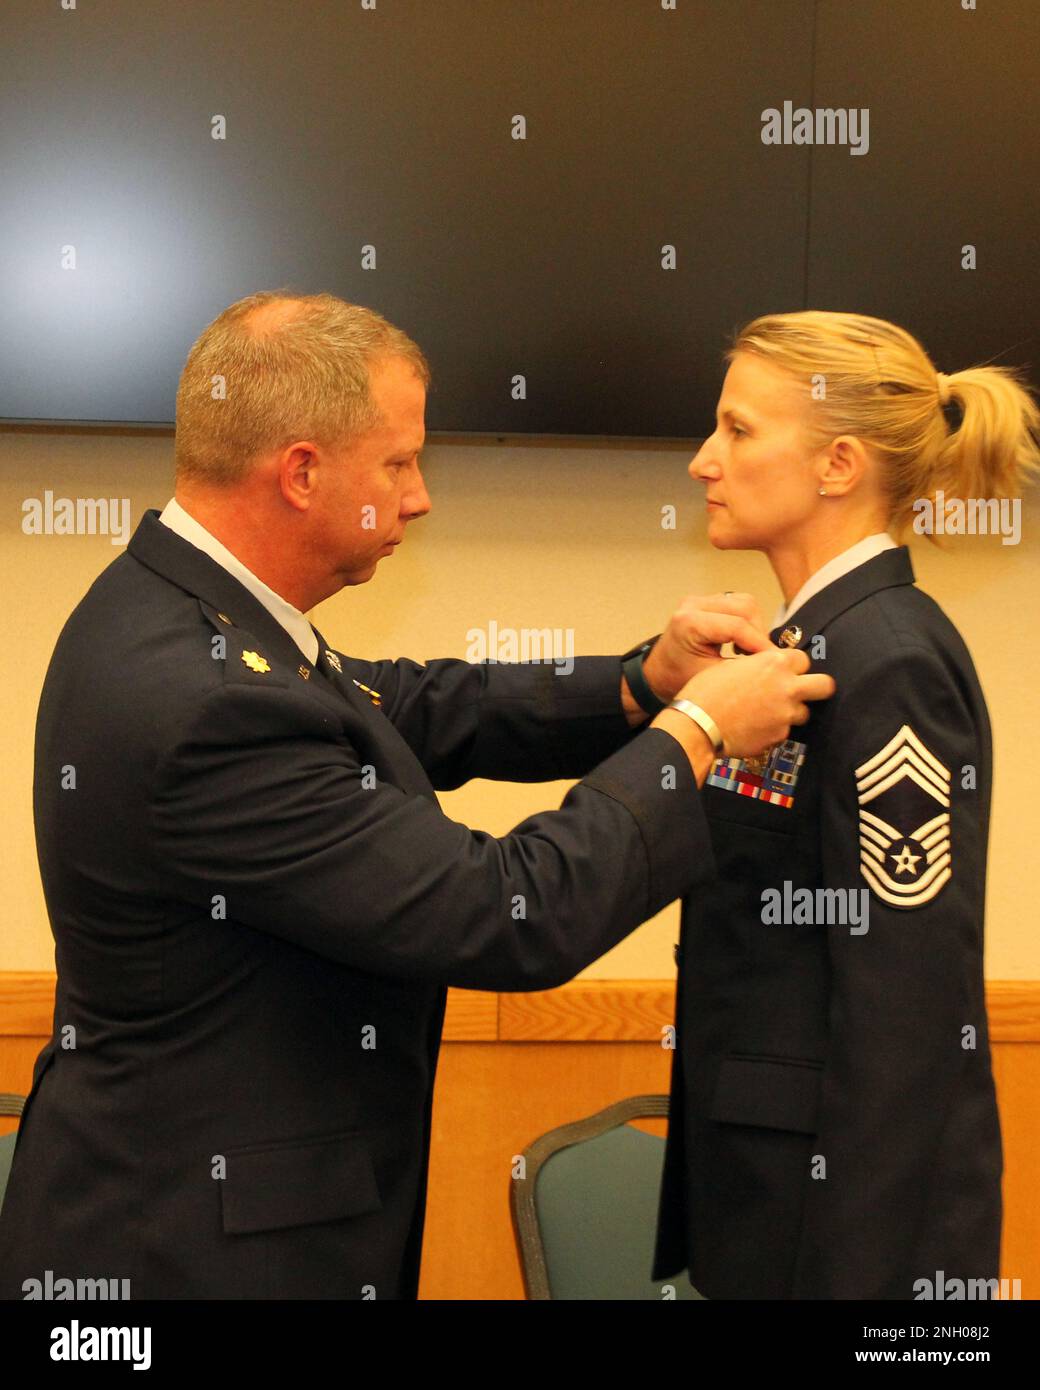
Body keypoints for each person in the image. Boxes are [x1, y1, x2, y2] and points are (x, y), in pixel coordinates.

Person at [0, 291, 833, 1301]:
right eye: (398, 462)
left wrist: (639, 680)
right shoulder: (206, 702)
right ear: (302, 472)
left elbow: (405, 704)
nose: (420, 496)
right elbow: (506, 911)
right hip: (193, 1252)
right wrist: (695, 732)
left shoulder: (178, 606)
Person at [651, 310, 1039, 1299]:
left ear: (835, 463)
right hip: (765, 1204)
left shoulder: (887, 658)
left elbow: (903, 1016)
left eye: (738, 431)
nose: (703, 460)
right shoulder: (807, 644)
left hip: (844, 1240)